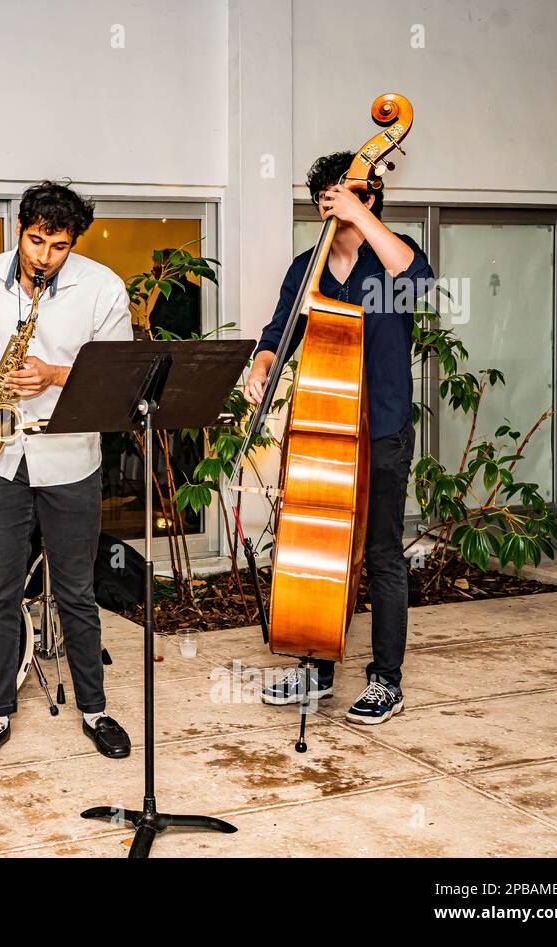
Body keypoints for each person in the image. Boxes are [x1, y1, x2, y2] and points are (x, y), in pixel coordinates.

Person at [0, 180, 134, 765]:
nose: (43, 257)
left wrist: (55, 375)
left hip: (70, 456)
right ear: (20, 227)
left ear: (74, 241)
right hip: (0, 454)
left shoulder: (102, 287)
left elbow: (117, 373)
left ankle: (95, 710)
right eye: (34, 242)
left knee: (76, 593)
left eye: (58, 247)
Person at [245, 150, 434, 726]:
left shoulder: (392, 261)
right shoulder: (309, 268)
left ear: (371, 197)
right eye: (335, 198)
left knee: (380, 555)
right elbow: (279, 331)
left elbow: (419, 282)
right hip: (322, 431)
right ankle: (316, 669)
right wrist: (261, 365)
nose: (346, 205)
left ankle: (386, 681)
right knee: (318, 548)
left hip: (383, 429)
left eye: (356, 195)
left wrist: (363, 215)